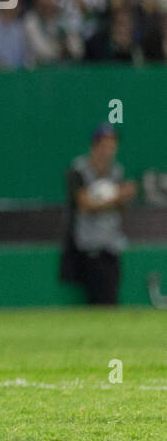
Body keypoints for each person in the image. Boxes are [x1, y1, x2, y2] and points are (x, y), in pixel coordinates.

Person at [61, 124, 135, 305]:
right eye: (104, 145)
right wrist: (117, 196)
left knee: (110, 298)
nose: (107, 150)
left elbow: (124, 206)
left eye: (112, 145)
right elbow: (85, 204)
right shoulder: (78, 170)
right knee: (98, 301)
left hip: (112, 245)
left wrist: (117, 199)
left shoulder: (117, 171)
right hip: (88, 247)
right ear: (94, 145)